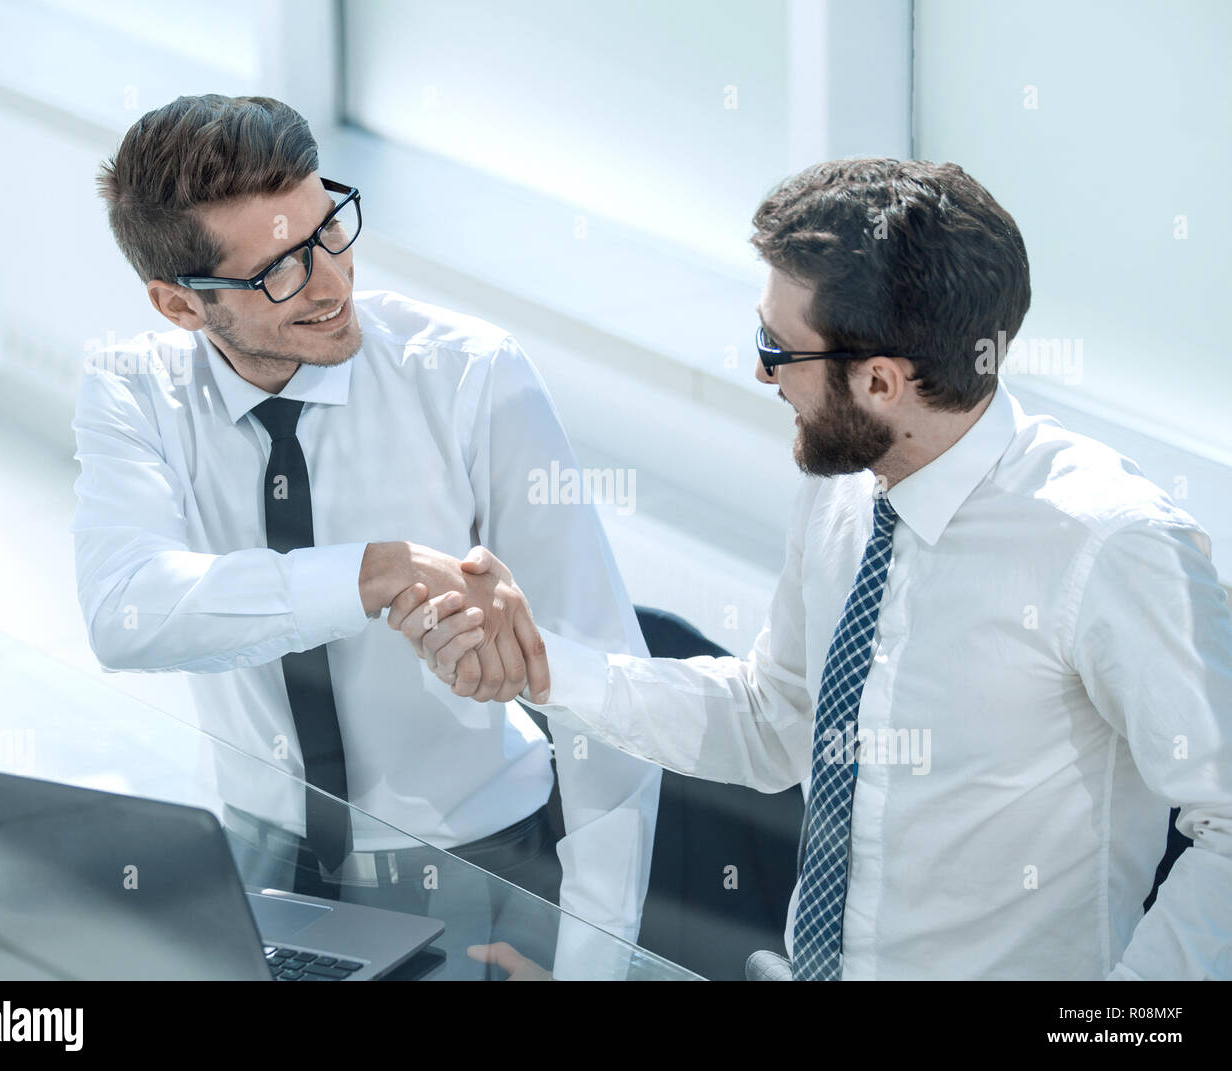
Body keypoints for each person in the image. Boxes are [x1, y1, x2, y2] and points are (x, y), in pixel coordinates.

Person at [393, 158, 1232, 980]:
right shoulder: (845, 484)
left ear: (879, 379)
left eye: (777, 345)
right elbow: (772, 720)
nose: (759, 369)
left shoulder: (1112, 543)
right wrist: (539, 665)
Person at [71, 94, 661, 980]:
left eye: (329, 230)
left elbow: (611, 684)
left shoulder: (470, 374)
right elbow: (126, 611)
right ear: (179, 305)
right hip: (257, 862)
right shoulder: (132, 392)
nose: (332, 282)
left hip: (483, 861)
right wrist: (368, 574)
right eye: (279, 271)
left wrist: (591, 967)